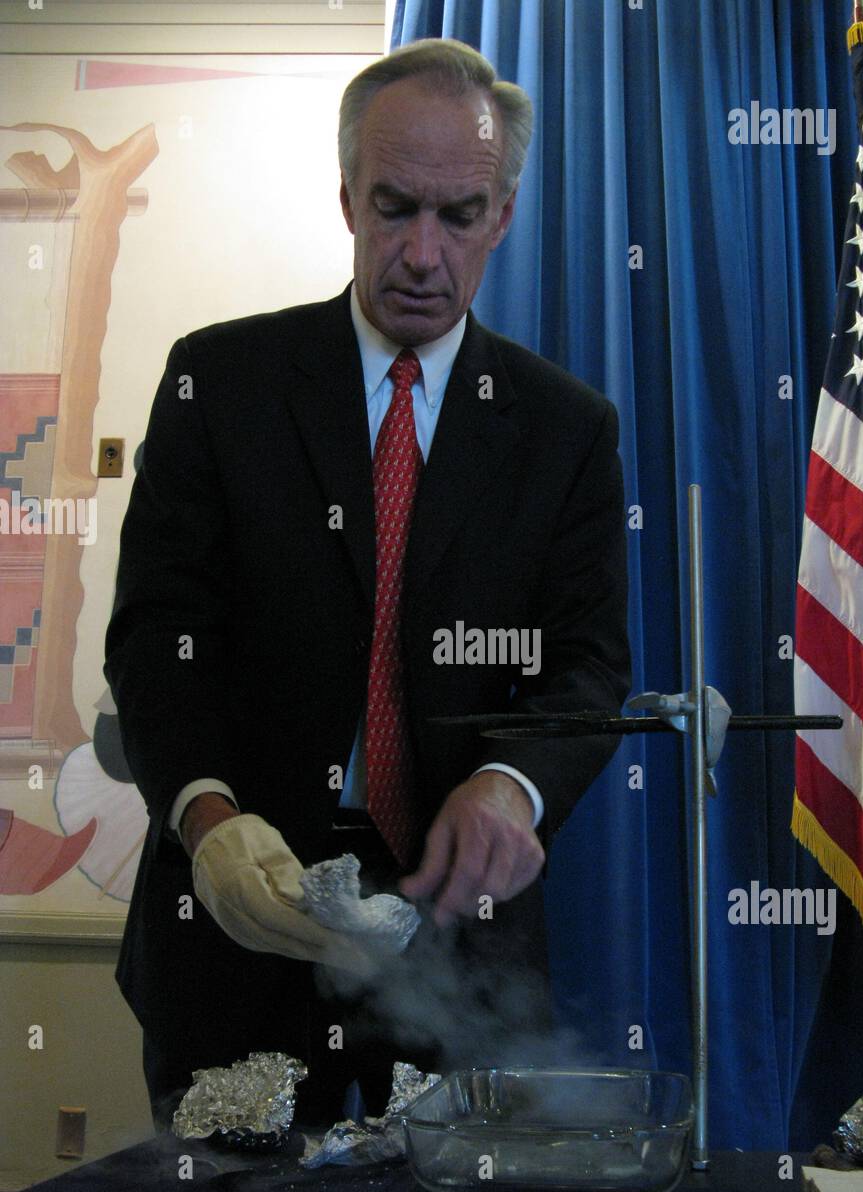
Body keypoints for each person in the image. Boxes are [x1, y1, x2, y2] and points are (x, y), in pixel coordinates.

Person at [104, 37, 631, 1129]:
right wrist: (205, 818)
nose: (425, 255)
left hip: (459, 959)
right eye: (395, 208)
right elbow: (159, 640)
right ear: (346, 196)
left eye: (461, 214)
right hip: (233, 948)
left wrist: (512, 784)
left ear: (505, 212)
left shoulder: (566, 431)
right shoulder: (220, 383)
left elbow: (587, 670)